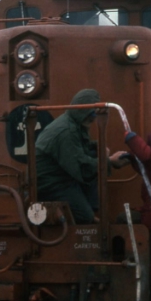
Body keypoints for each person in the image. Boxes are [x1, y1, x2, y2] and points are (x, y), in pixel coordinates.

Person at [35, 88, 102, 224]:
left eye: (95, 113)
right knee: (84, 217)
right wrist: (109, 162)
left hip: (61, 176)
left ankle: (92, 209)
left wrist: (96, 147)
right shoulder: (67, 131)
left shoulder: (74, 123)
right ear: (81, 111)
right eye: (91, 113)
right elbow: (81, 167)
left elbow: (78, 150)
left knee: (94, 158)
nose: (93, 118)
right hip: (51, 183)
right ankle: (87, 221)